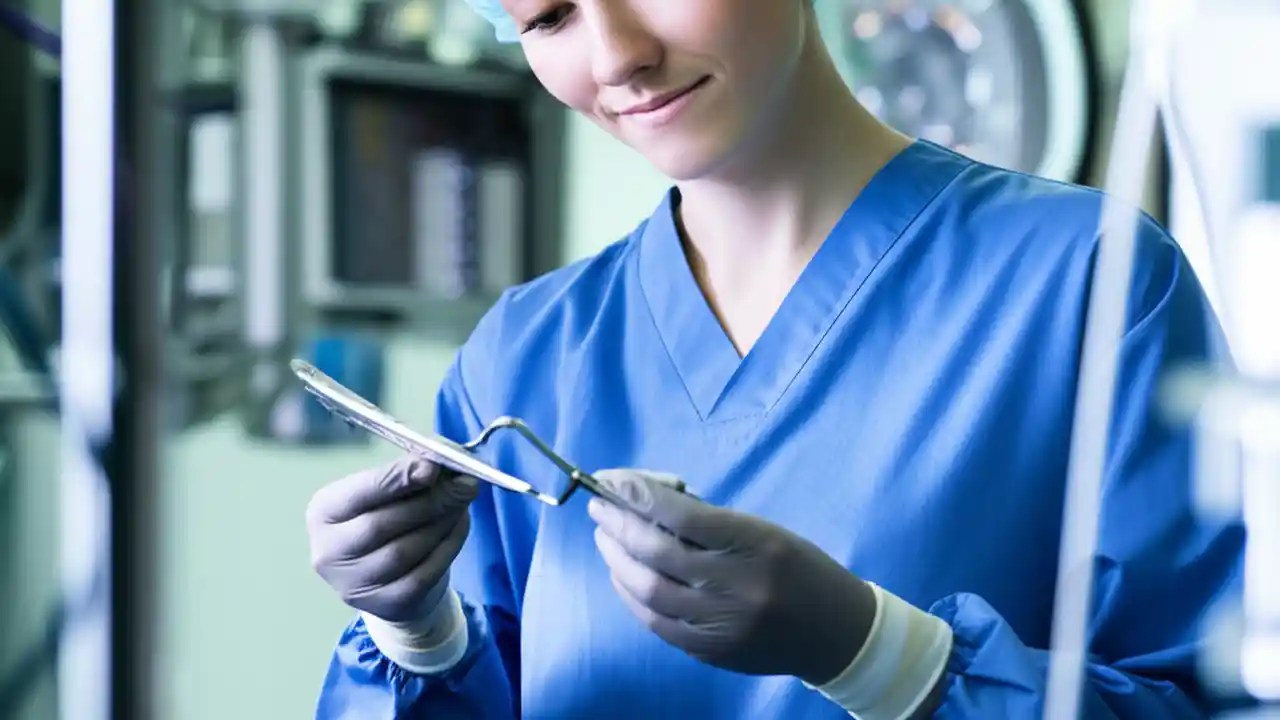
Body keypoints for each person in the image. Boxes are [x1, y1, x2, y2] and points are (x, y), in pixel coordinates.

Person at [306, 0, 1244, 717]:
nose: (617, 56)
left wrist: (881, 656)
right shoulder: (522, 357)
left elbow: (1211, 698)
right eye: (549, 16)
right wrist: (418, 636)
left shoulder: (1083, 280)